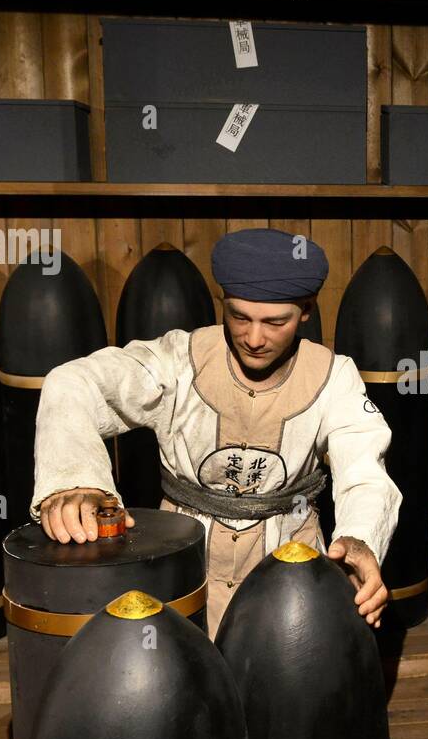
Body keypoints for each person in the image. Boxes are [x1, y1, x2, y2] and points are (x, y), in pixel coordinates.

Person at [28, 228, 400, 636]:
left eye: (275, 322)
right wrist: (77, 479)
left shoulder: (334, 377)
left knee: (281, 686)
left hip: (291, 576)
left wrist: (360, 540)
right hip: (183, 571)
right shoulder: (178, 361)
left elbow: (365, 470)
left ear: (306, 311)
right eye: (239, 316)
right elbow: (74, 382)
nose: (254, 339)